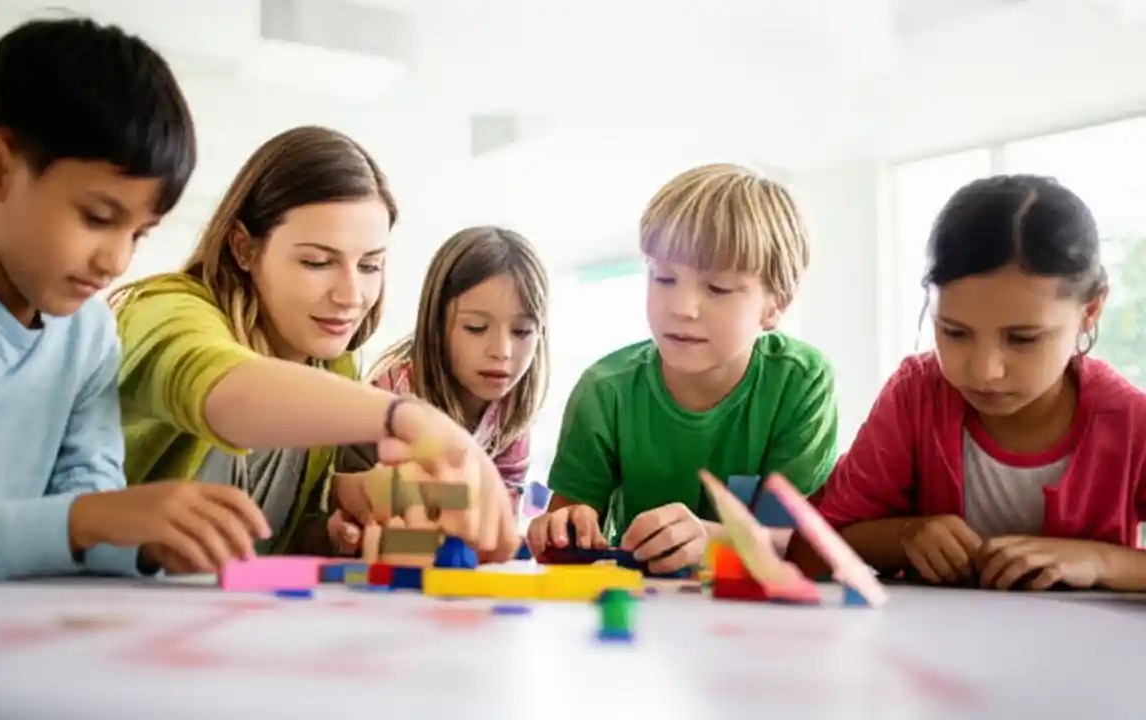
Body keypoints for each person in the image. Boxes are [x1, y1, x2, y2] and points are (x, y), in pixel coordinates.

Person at [0, 17, 270, 579]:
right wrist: (95, 518)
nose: (117, 261)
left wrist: (148, 543)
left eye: (139, 233)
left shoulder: (88, 331)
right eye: (97, 218)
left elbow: (90, 510)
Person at [112, 127, 519, 571]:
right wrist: (412, 417)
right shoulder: (166, 310)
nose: (350, 295)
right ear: (244, 248)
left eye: (369, 265)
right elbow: (228, 390)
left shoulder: (331, 361)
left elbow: (275, 537)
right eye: (317, 262)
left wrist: (335, 530)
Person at [800, 174, 1146, 592]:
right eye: (954, 332)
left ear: (1091, 311)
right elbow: (815, 542)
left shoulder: (1130, 422)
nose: (984, 372)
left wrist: (1101, 560)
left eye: (1022, 339)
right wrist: (905, 536)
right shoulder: (916, 396)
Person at [526, 163, 838, 574]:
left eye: (718, 288)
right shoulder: (606, 390)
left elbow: (805, 545)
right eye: (664, 278)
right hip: (640, 612)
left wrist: (711, 540)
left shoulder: (800, 380)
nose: (681, 308)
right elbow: (563, 540)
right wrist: (559, 531)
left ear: (775, 304)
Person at [333, 227, 549, 548]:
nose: (502, 350)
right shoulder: (387, 403)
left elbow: (495, 534)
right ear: (435, 326)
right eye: (476, 328)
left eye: (522, 331)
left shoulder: (510, 418)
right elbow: (356, 521)